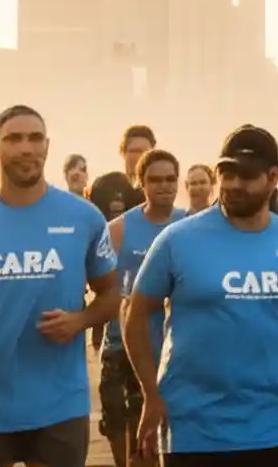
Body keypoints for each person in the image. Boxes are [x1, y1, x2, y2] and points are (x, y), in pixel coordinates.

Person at [125, 125, 278, 466]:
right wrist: (150, 393)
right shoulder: (177, 240)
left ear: (273, 177)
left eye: (247, 176)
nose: (234, 184)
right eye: (227, 173)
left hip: (272, 428)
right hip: (194, 430)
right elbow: (137, 315)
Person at [0, 104, 119, 467]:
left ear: (47, 146)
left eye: (35, 138)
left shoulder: (83, 218)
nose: (27, 148)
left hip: (61, 405)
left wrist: (79, 320)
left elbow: (112, 295)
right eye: (14, 139)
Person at [98, 149, 187, 467]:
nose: (164, 186)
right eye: (155, 180)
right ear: (141, 183)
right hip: (123, 347)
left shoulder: (189, 226)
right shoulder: (117, 230)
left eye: (170, 179)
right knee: (130, 445)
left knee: (170, 439)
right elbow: (99, 286)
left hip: (174, 349)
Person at [90, 125, 156, 215]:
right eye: (134, 151)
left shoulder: (160, 188)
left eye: (145, 152)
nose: (140, 156)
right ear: (123, 152)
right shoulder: (104, 185)